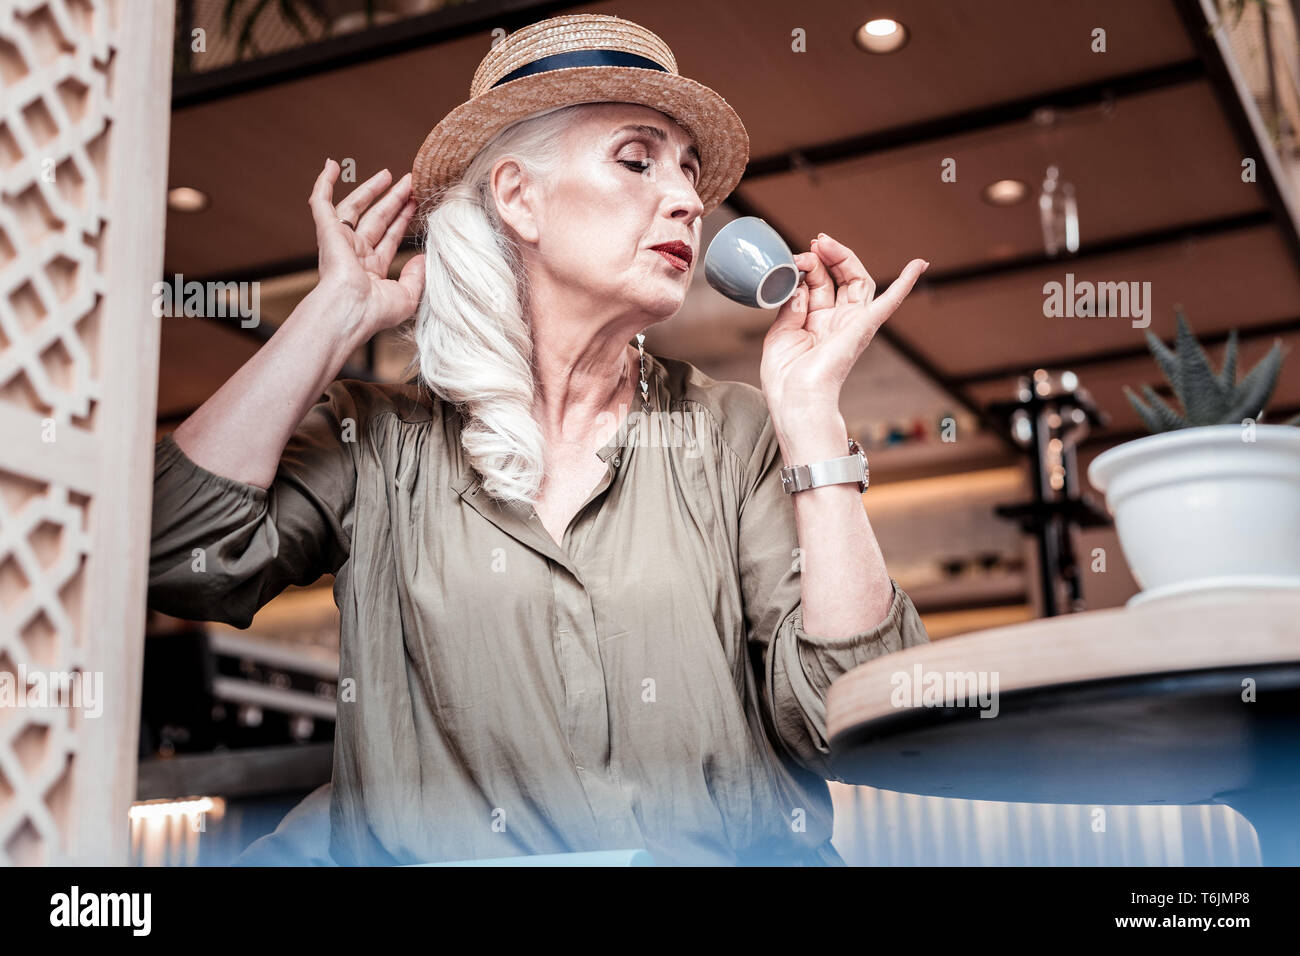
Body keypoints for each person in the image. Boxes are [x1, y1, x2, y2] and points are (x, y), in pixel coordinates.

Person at [149, 13, 931, 866]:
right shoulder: (378, 441)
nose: (687, 199)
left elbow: (857, 715)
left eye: (690, 172)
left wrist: (813, 413)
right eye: (637, 160)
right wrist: (328, 319)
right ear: (518, 197)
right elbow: (173, 548)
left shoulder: (734, 432)